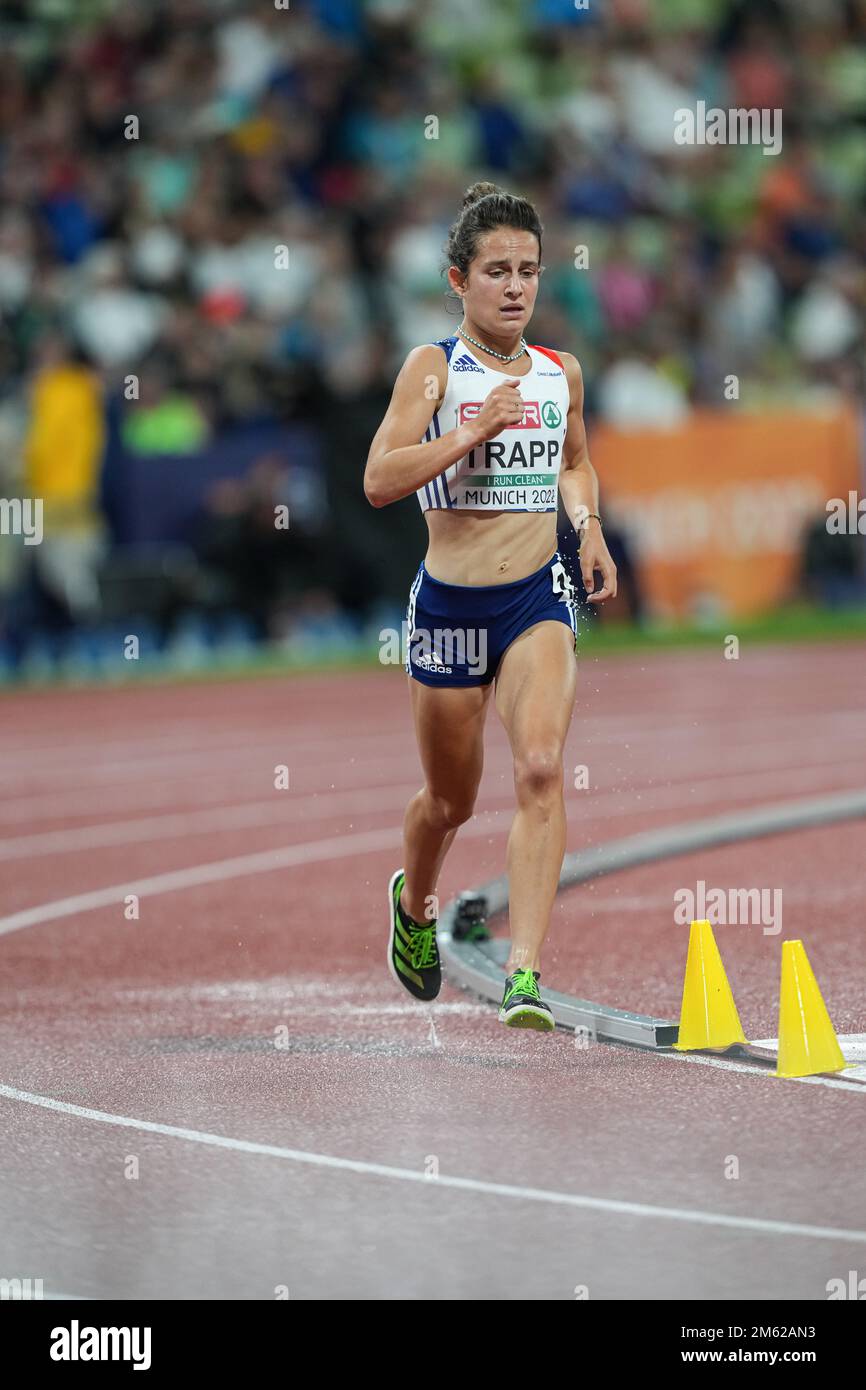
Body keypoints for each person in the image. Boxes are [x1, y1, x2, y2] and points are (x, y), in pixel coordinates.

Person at [364, 182, 617, 1029]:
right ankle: (414, 906)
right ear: (458, 280)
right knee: (449, 803)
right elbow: (377, 480)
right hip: (447, 611)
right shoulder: (433, 367)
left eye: (529, 272)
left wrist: (587, 528)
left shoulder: (559, 373)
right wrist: (470, 433)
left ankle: (525, 975)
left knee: (541, 767)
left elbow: (575, 461)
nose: (515, 288)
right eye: (497, 272)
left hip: (534, 598)